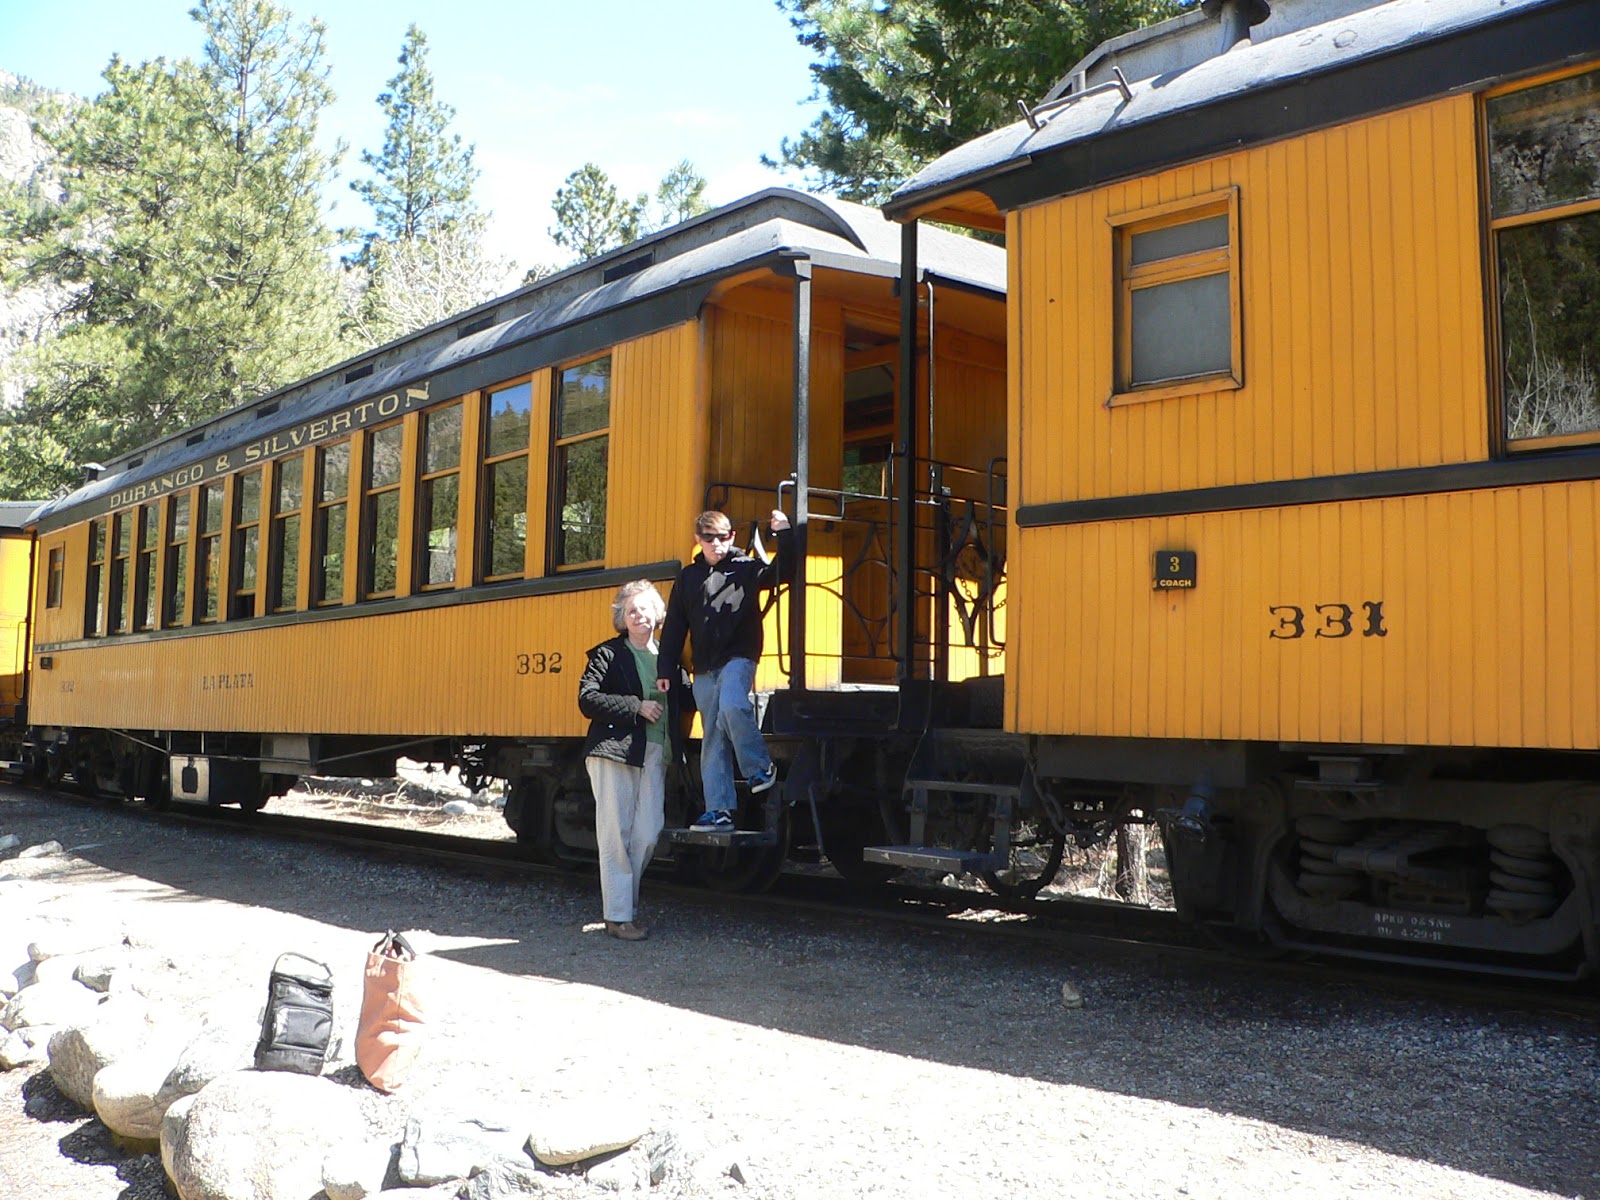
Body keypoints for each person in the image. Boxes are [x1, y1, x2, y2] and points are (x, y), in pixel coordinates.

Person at [656, 508, 793, 833]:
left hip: (739, 656)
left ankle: (760, 768)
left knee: (733, 706)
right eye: (709, 538)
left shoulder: (746, 568)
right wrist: (665, 667)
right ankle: (720, 812)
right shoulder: (688, 577)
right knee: (713, 738)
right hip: (704, 667)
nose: (717, 543)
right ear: (698, 540)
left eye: (723, 537)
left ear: (732, 536)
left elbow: (784, 573)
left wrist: (785, 533)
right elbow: (675, 625)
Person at [579, 580, 672, 941]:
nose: (637, 615)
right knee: (615, 834)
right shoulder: (607, 654)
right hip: (613, 751)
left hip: (653, 752)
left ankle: (624, 911)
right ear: (623, 617)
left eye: (644, 608)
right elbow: (587, 698)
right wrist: (636, 707)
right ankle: (618, 917)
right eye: (630, 610)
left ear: (656, 614)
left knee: (647, 833)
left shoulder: (665, 658)